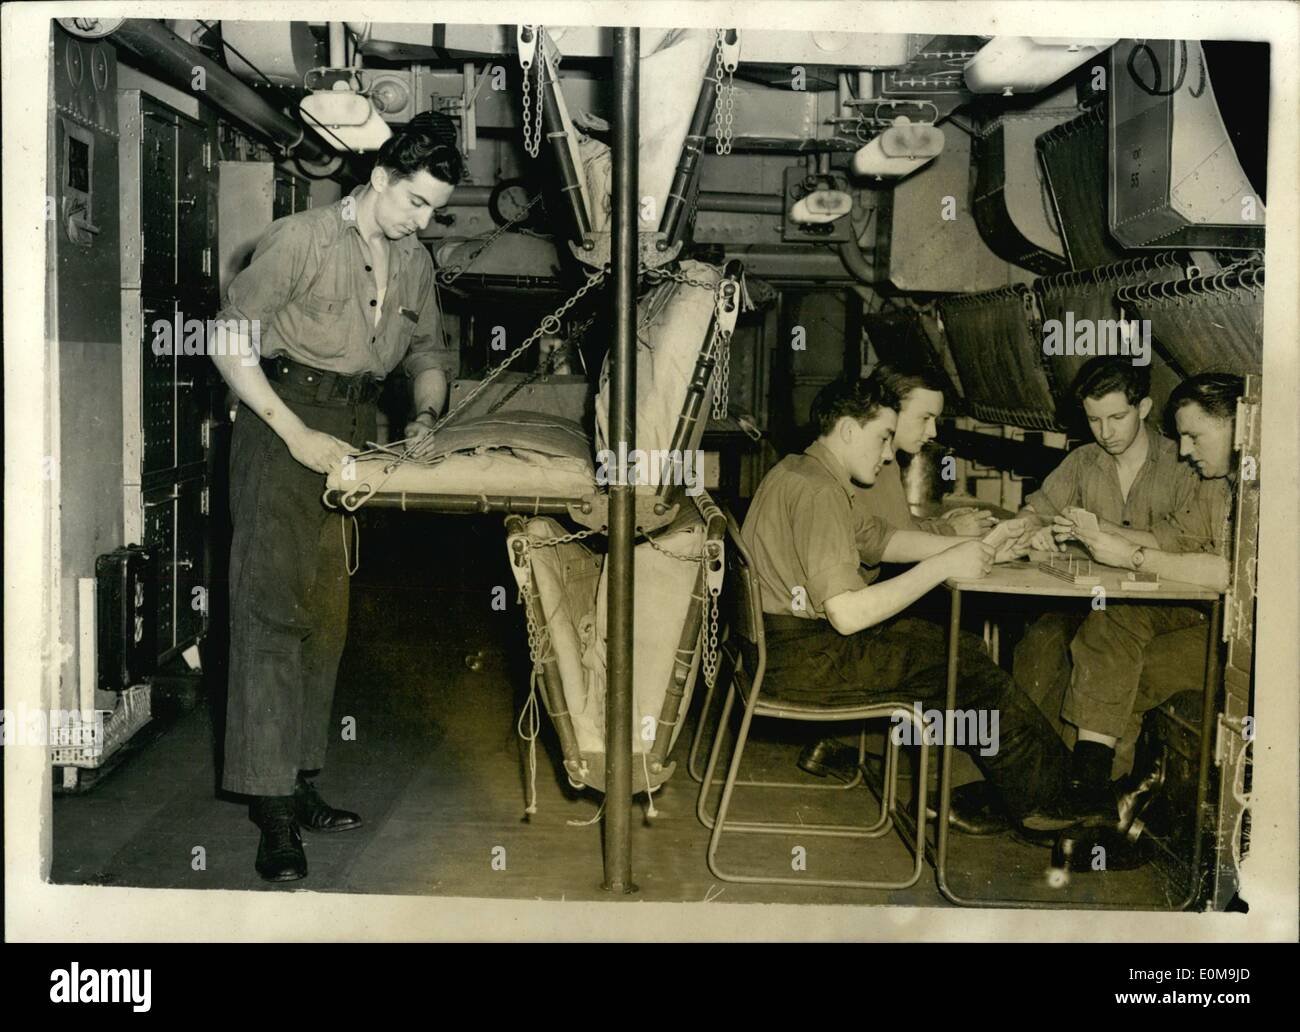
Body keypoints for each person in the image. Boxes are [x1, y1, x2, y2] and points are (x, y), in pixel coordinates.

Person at [209, 125, 463, 881]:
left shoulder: (414, 259)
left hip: (355, 430)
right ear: (381, 174)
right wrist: (293, 435)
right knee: (269, 611)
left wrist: (423, 414)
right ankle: (272, 809)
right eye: (415, 201)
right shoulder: (300, 239)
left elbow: (426, 354)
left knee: (324, 618)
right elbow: (228, 339)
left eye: (434, 210)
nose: (421, 221)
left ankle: (299, 777)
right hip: (279, 418)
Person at [740, 375, 1079, 833]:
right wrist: (942, 566)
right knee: (966, 669)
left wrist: (979, 547)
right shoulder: (820, 491)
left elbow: (880, 540)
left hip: (775, 650)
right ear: (847, 430)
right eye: (882, 437)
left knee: (958, 650)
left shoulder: (802, 469)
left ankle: (1025, 791)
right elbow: (848, 613)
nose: (886, 454)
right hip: (803, 660)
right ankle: (1052, 804)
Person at [1036, 373, 1241, 824]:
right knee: (1111, 619)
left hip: (1248, 642)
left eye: (1193, 436)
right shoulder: (1212, 482)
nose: (1184, 450)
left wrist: (1131, 554)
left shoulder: (1270, 485)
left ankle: (1105, 801)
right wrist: (1097, 532)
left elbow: (1230, 572)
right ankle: (1086, 790)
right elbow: (1174, 539)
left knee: (1123, 669)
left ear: (1239, 426)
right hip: (1204, 613)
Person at [797, 361, 996, 785]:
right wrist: (951, 539)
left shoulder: (839, 464)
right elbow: (886, 542)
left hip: (817, 623)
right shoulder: (872, 469)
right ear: (889, 411)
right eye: (925, 418)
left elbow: (882, 533)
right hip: (833, 628)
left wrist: (951, 538)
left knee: (948, 635)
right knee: (959, 643)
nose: (932, 432)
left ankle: (898, 758)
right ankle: (942, 782)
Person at [1013, 357, 1200, 776]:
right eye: (1094, 420)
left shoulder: (1183, 463)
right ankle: (1023, 781)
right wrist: (1033, 530)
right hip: (1096, 601)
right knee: (1041, 642)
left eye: (1117, 417)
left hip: (1168, 606)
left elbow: (1186, 541)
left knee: (1108, 653)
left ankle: (1090, 791)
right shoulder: (1083, 462)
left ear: (1145, 408)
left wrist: (1103, 533)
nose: (1106, 432)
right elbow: (1035, 510)